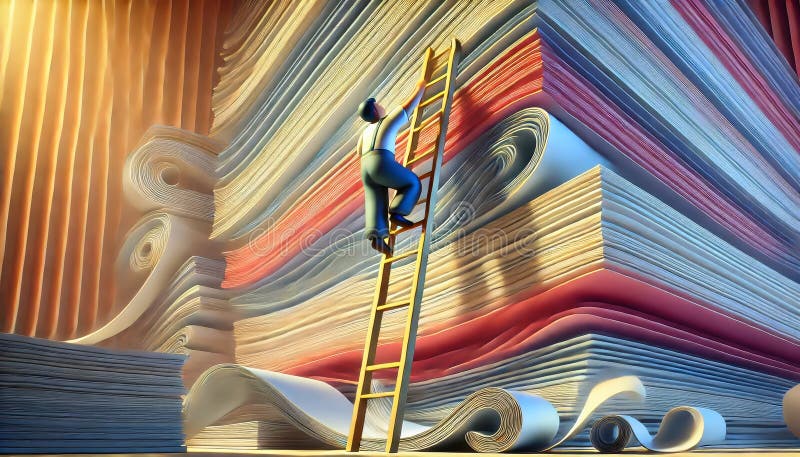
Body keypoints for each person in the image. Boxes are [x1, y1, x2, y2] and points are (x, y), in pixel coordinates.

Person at [357, 79, 427, 256]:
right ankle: (397, 211)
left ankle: (377, 238)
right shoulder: (386, 121)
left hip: (365, 167)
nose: (381, 106)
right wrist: (420, 88)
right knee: (412, 183)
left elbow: (359, 151)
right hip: (381, 161)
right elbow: (407, 107)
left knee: (376, 199)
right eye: (377, 105)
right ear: (374, 111)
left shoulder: (364, 133)